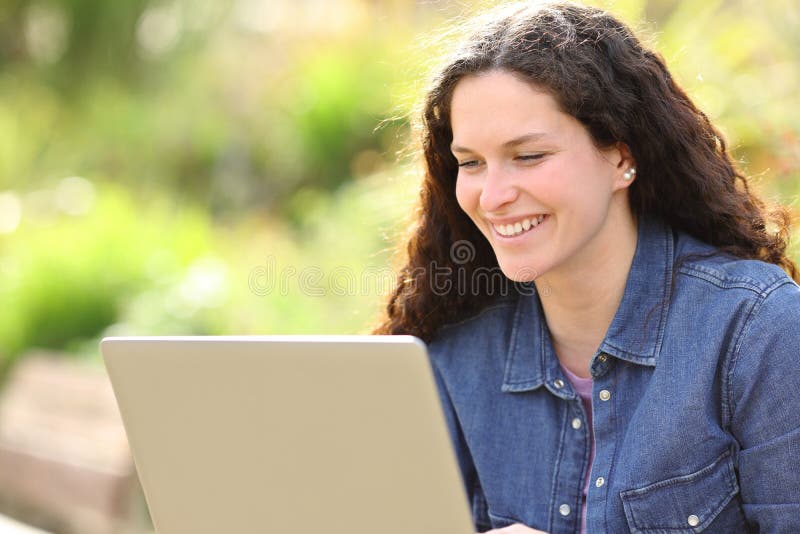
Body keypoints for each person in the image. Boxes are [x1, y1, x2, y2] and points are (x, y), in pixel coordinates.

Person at [374, 1, 800, 533]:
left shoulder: (758, 331)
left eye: (528, 156)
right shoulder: (452, 355)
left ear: (621, 157)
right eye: (472, 163)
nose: (495, 196)